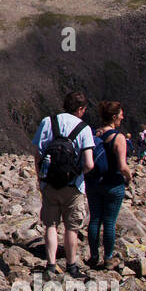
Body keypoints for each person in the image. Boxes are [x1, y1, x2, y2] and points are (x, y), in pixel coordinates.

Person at [32, 90, 96, 280]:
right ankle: (71, 265)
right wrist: (77, 175)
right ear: (81, 109)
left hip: (50, 183)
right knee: (72, 227)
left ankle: (50, 265)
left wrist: (41, 179)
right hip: (73, 186)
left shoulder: (47, 122)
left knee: (51, 225)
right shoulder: (84, 128)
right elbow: (89, 163)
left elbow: (37, 153)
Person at [87, 101, 133, 269]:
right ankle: (108, 257)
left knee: (94, 220)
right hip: (113, 184)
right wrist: (130, 176)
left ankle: (93, 256)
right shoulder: (118, 138)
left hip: (93, 183)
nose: (123, 116)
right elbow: (122, 166)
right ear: (114, 117)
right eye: (121, 114)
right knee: (109, 222)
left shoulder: (94, 134)